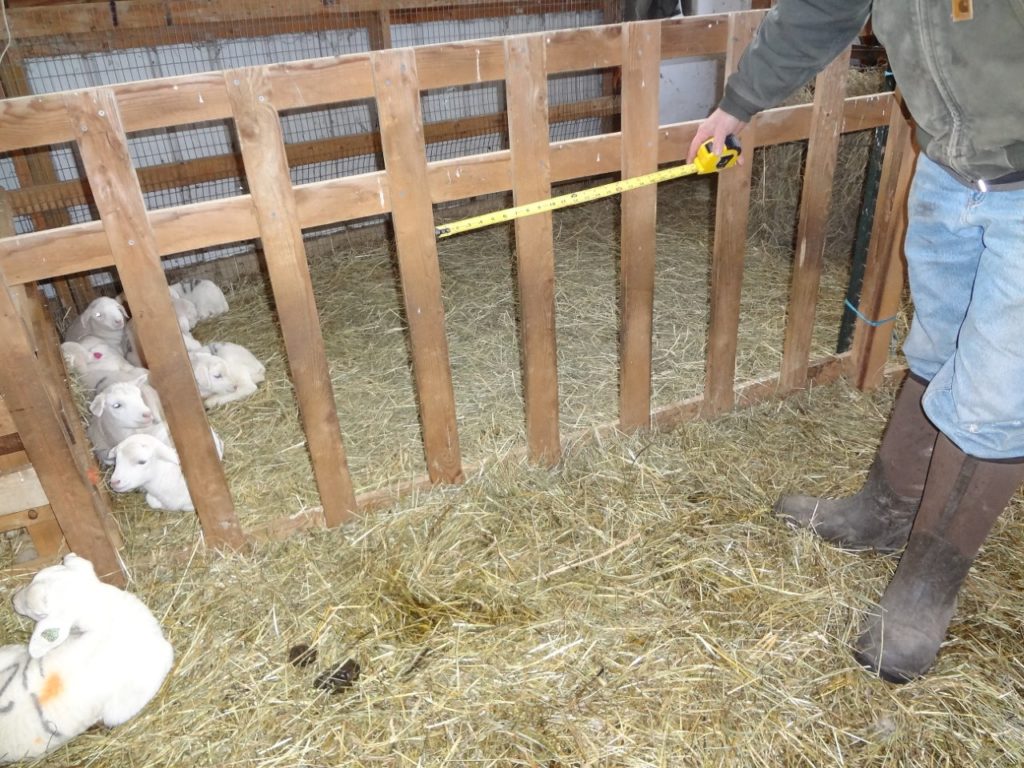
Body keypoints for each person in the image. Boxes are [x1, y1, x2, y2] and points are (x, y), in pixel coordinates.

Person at [687, 1, 1024, 683]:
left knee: (996, 395)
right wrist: (737, 103)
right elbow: (822, 6)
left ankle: (924, 591)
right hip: (950, 168)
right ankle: (884, 512)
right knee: (937, 352)